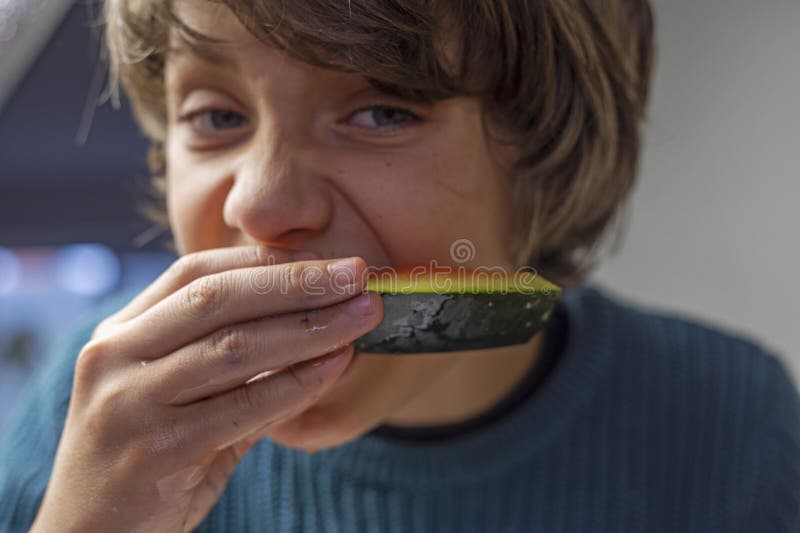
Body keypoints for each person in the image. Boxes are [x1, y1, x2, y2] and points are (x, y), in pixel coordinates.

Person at [1, 1, 798, 531]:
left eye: (383, 111)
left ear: (546, 159)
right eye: (216, 116)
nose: (263, 204)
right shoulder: (84, 419)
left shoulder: (735, 423)